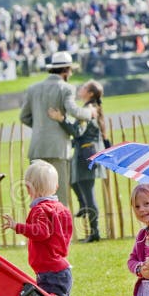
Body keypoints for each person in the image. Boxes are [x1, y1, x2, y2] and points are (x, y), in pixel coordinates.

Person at [19, 51, 93, 207]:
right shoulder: (66, 88)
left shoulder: (33, 88)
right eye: (71, 70)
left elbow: (24, 117)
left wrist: (40, 126)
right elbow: (73, 111)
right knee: (59, 197)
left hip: (37, 149)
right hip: (57, 149)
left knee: (37, 197)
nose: (71, 73)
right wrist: (89, 113)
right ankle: (61, 231)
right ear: (65, 70)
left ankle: (41, 230)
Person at [1, 160, 74, 296]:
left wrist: (17, 226)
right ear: (56, 186)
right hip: (58, 270)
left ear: (28, 189)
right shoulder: (60, 208)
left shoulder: (40, 209)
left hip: (51, 273)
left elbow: (41, 232)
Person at [48, 79, 109, 242]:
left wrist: (61, 119)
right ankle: (84, 207)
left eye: (83, 87)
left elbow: (77, 131)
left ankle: (94, 232)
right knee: (75, 183)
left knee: (89, 195)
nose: (80, 89)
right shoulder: (93, 108)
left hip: (85, 156)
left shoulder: (88, 110)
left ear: (89, 93)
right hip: (87, 154)